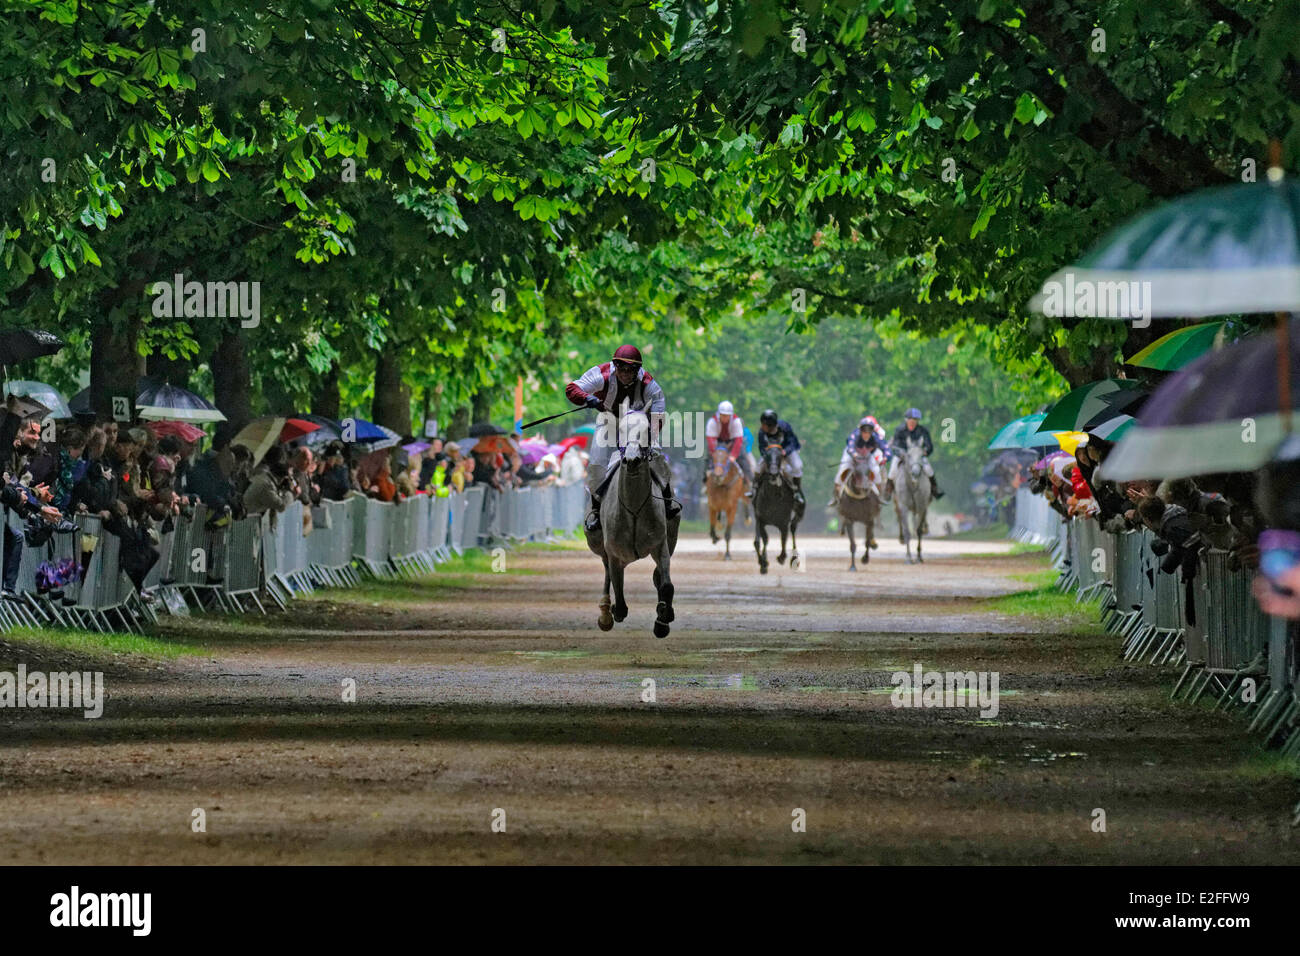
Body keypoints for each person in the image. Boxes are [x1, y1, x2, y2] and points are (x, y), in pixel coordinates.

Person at [565, 344, 679, 533]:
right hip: (609, 419)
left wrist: (650, 438)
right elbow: (572, 388)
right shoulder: (601, 374)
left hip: (638, 421)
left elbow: (658, 416)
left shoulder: (650, 384)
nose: (625, 373)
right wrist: (587, 398)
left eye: (630, 370)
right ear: (614, 365)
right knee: (596, 463)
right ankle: (595, 510)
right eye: (621, 369)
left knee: (657, 455)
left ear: (637, 370)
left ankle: (667, 502)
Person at [885, 407, 944, 501]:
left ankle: (934, 488)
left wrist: (926, 451)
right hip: (902, 455)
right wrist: (900, 453)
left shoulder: (923, 431)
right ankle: (888, 490)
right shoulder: (899, 430)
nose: (912, 423)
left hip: (917, 456)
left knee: (929, 469)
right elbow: (895, 444)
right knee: (893, 469)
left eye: (915, 421)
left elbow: (929, 445)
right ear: (906, 420)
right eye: (910, 420)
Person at [753, 408, 804, 510]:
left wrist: (785, 451)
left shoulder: (785, 427)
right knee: (757, 468)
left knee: (797, 466)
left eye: (764, 424)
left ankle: (797, 491)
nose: (761, 426)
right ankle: (754, 489)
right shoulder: (762, 432)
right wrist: (766, 455)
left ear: (771, 425)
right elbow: (762, 447)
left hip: (787, 451)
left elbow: (792, 442)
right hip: (771, 454)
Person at [703, 400, 753, 497]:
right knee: (708, 459)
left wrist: (733, 455)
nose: (725, 417)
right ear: (719, 414)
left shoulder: (736, 422)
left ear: (731, 415)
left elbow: (738, 440)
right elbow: (710, 440)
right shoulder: (712, 422)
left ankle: (750, 483)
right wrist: (713, 453)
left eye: (727, 415)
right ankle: (705, 482)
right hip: (718, 443)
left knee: (743, 459)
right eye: (722, 415)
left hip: (732, 443)